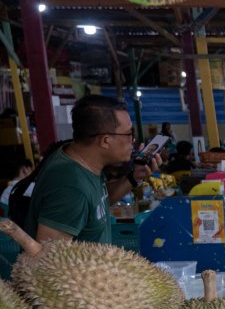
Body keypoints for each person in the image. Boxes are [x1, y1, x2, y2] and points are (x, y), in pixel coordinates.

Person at [22, 95, 158, 243]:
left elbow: (96, 203)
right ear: (105, 141)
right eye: (129, 134)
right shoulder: (70, 187)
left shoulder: (79, 159)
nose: (133, 140)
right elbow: (47, 254)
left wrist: (134, 177)